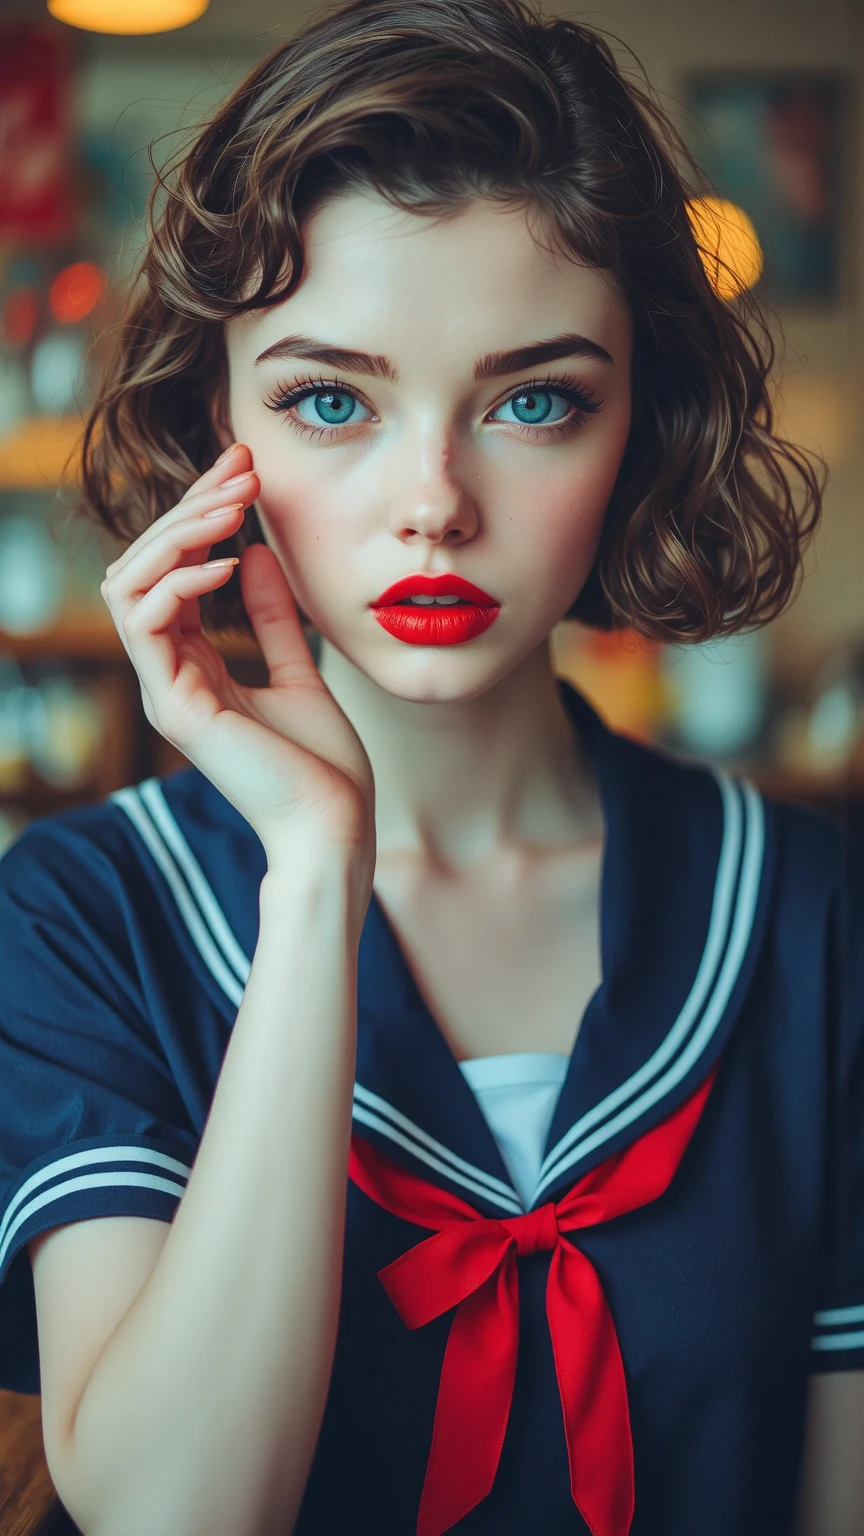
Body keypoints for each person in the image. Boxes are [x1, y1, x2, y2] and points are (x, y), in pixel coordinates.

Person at [0, 0, 860, 1531]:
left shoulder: (816, 916)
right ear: (220, 426)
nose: (434, 505)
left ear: (637, 422)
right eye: (331, 400)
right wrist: (317, 872)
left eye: (535, 401)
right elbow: (173, 1515)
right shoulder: (77, 915)